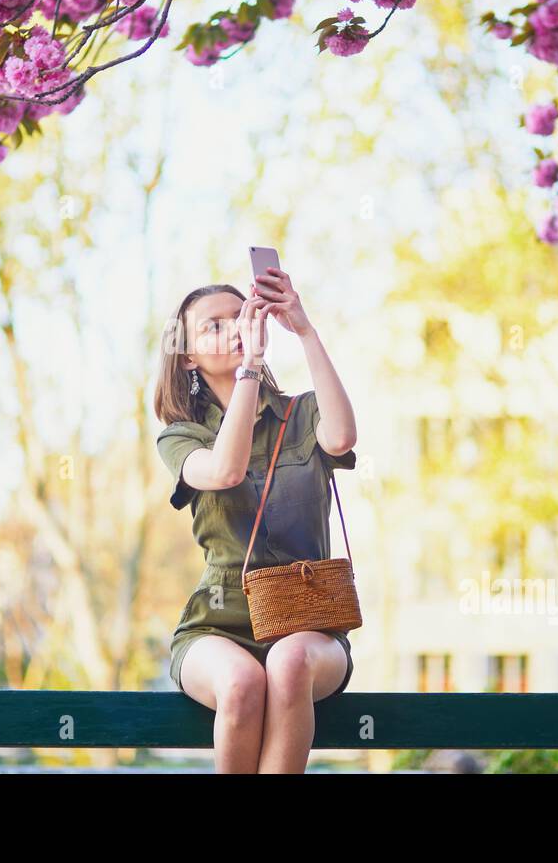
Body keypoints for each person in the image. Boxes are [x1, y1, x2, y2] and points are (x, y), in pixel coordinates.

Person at [152, 266, 359, 773]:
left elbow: (341, 439)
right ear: (188, 358)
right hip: (217, 627)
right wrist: (250, 369)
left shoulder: (300, 414)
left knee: (288, 664)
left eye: (238, 316)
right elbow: (224, 470)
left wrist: (303, 329)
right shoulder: (182, 435)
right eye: (212, 326)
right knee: (243, 684)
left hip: (310, 624)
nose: (232, 330)